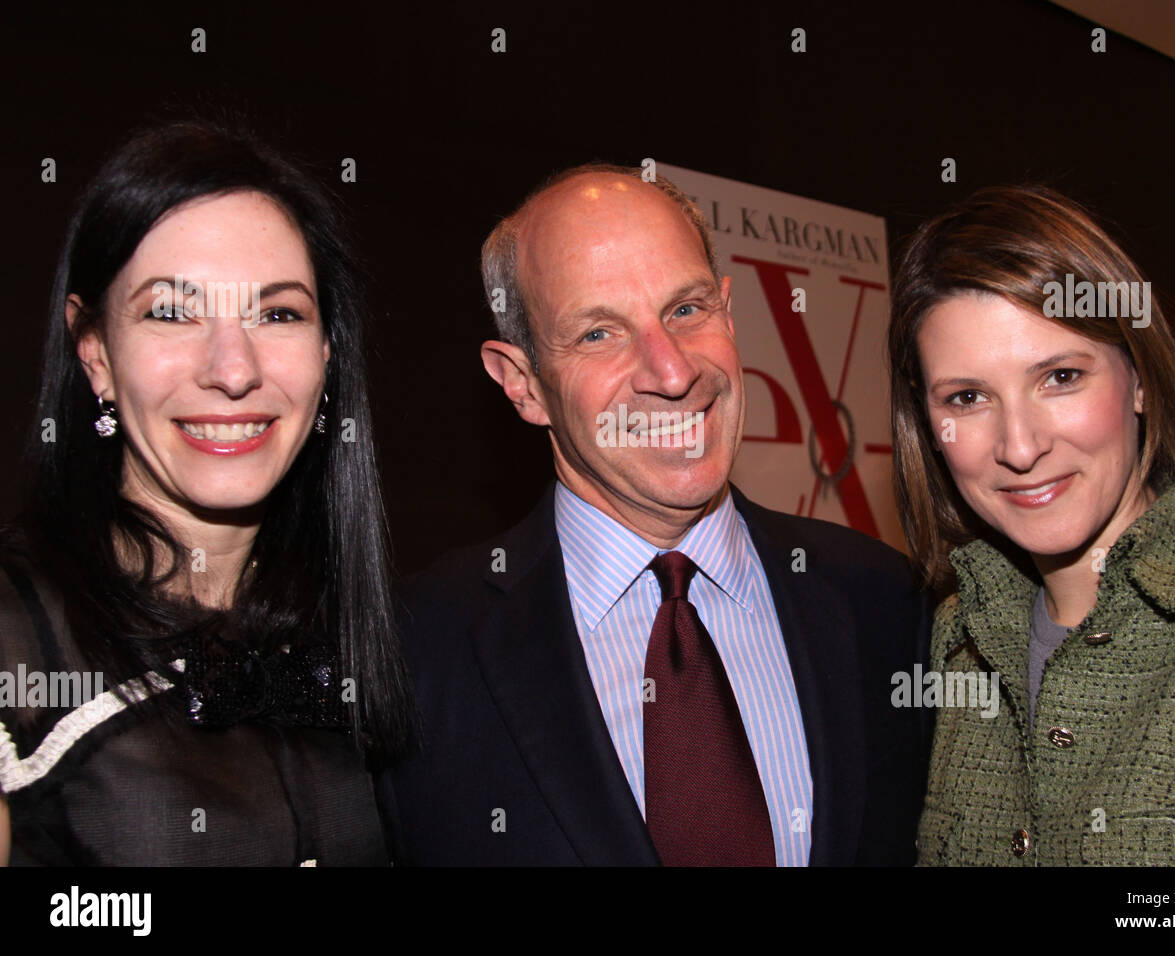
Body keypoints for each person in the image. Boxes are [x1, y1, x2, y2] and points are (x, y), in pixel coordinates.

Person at [379, 165, 932, 866]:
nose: (672, 374)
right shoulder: (413, 651)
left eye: (686, 310)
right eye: (598, 334)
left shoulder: (885, 601)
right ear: (523, 385)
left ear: (729, 314)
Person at [0, 121, 412, 865]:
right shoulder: (15, 639)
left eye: (277, 313)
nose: (232, 369)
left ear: (326, 354)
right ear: (93, 352)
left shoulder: (370, 637)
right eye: (171, 312)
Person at [888, 184, 1175, 866]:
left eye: (1060, 377)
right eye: (968, 396)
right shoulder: (953, 640)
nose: (1019, 447)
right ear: (931, 428)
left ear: (1139, 378)